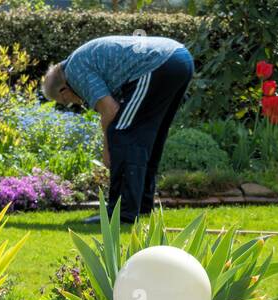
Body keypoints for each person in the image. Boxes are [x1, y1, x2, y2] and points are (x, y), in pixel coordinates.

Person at [42, 35, 193, 225]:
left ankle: (121, 213)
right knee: (145, 136)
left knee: (122, 133)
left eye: (66, 103)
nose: (74, 103)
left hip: (158, 64)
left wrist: (107, 151)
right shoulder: (78, 60)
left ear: (64, 90)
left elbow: (110, 110)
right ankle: (141, 207)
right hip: (179, 57)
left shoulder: (74, 71)